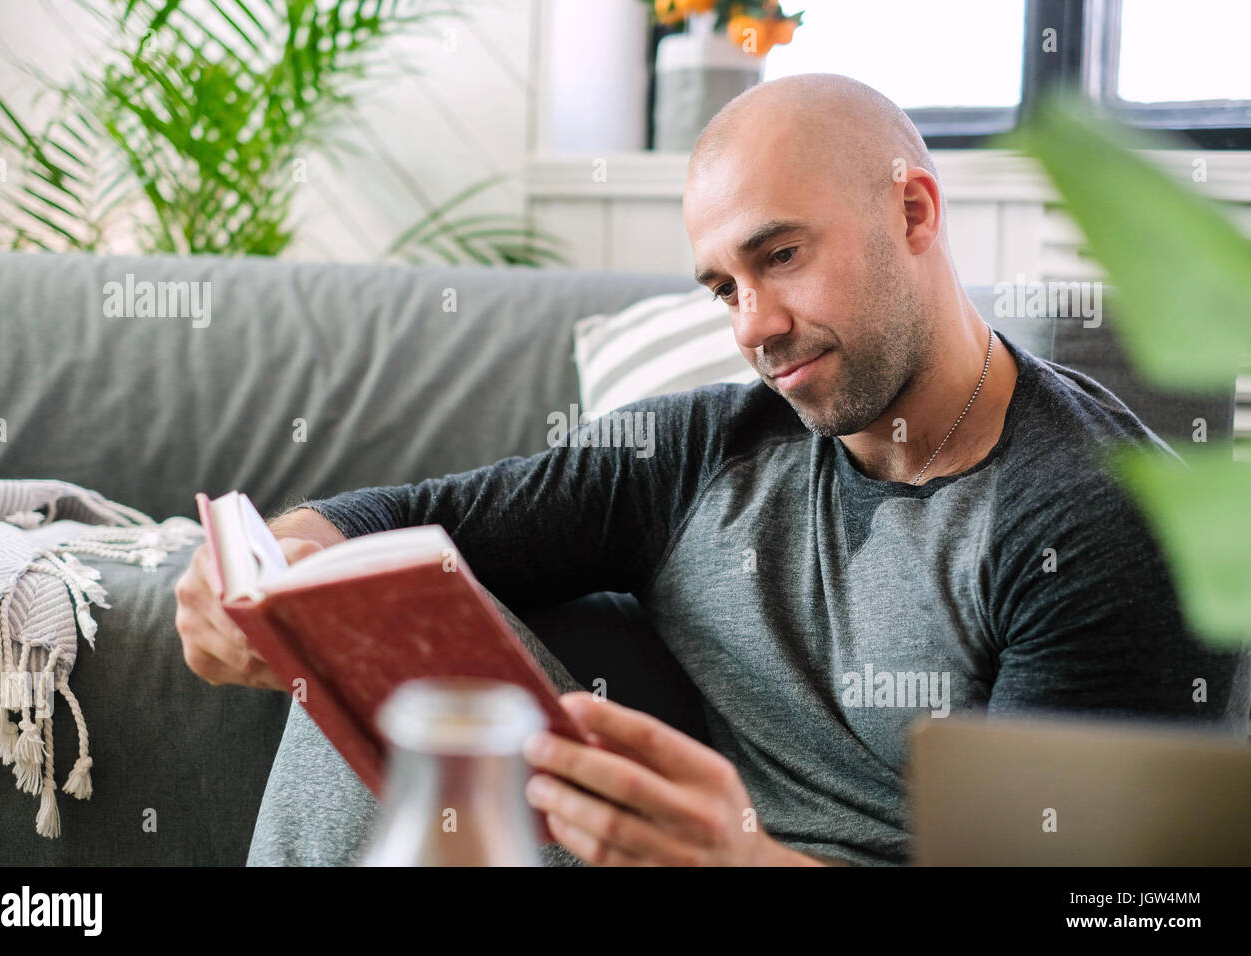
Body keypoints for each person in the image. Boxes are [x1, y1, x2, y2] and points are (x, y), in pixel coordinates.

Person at [173, 74, 1250, 866]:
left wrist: (741, 857)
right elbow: (407, 518)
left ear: (913, 212)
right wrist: (273, 570)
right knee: (406, 680)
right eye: (722, 287)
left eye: (780, 256)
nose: (756, 325)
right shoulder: (699, 450)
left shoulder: (1089, 524)